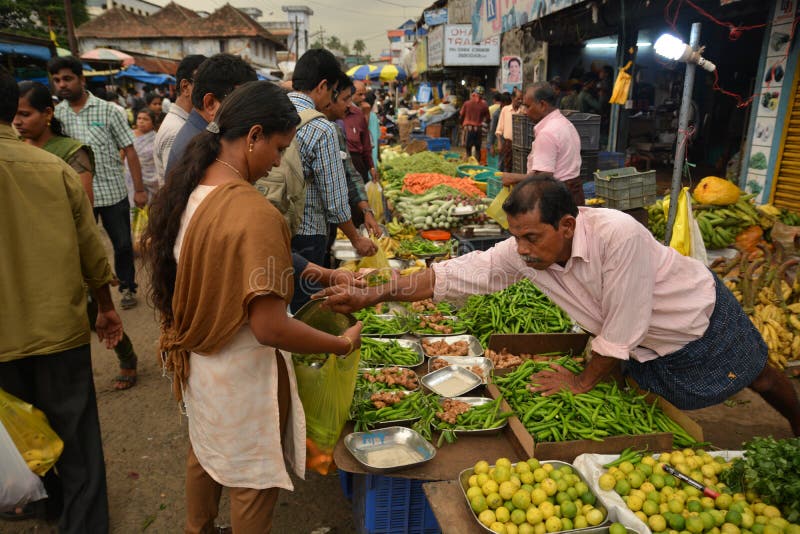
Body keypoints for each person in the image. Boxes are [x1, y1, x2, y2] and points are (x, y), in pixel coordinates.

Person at [317, 176, 800, 437]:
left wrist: (583, 379)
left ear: (567, 226)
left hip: (693, 314)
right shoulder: (523, 251)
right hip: (642, 341)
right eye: (516, 238)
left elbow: (627, 318)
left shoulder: (618, 234)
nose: (522, 249)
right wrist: (376, 291)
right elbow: (456, 275)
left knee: (758, 374)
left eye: (532, 237)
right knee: (660, 400)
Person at [144, 80, 363, 533]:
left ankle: (198, 527)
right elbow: (269, 327)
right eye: (280, 149)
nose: (278, 162)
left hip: (203, 369)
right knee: (251, 485)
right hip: (245, 378)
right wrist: (339, 345)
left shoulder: (191, 186)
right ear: (254, 135)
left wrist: (317, 272)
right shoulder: (253, 211)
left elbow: (232, 262)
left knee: (205, 455)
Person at [0, 66, 123, 532]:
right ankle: (84, 523)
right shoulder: (54, 169)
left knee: (18, 433)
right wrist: (106, 308)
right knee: (75, 435)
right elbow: (92, 251)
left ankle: (40, 504)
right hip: (58, 329)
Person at [14, 80, 141, 392]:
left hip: (64, 246)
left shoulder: (71, 151)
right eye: (13, 114)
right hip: (28, 249)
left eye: (25, 114)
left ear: (47, 114)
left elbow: (83, 209)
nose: (17, 121)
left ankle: (126, 355)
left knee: (92, 309)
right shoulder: (14, 153)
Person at [49, 55, 146, 310]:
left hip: (113, 191)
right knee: (84, 248)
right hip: (79, 196)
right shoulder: (56, 117)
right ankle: (92, 294)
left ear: (81, 80)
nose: (62, 85)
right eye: (57, 80)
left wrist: (138, 189)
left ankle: (127, 286)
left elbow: (130, 150)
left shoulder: (108, 111)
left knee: (123, 244)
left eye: (67, 78)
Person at [289, 48, 376, 311]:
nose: (334, 101)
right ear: (323, 86)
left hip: (276, 231)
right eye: (335, 92)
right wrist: (356, 239)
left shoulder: (272, 111)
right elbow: (335, 200)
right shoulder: (321, 127)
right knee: (306, 306)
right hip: (308, 234)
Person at [166, 54, 258, 176]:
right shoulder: (199, 151)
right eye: (240, 105)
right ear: (210, 104)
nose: (247, 114)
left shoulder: (207, 137)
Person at [501, 83, 584, 205]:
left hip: (557, 199)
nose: (525, 112)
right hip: (571, 194)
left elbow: (544, 177)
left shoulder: (547, 133)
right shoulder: (565, 124)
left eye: (528, 106)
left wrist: (512, 178)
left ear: (542, 105)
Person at [328, 74, 382, 247]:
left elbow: (365, 146)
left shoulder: (355, 116)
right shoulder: (328, 128)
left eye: (350, 98)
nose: (348, 103)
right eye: (346, 99)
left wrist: (366, 211)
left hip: (356, 163)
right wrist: (356, 239)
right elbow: (334, 196)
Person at [154, 54, 206, 186]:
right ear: (185, 87)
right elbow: (177, 187)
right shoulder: (176, 130)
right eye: (204, 85)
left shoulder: (185, 122)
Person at [342, 80, 377, 183]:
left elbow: (366, 144)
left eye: (364, 94)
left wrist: (371, 167)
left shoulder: (358, 113)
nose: (363, 98)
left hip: (358, 166)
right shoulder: (333, 115)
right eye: (360, 94)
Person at [125, 108, 159, 203]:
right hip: (130, 178)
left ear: (153, 123)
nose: (141, 121)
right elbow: (123, 157)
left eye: (145, 119)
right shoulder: (129, 136)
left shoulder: (157, 138)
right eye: (139, 118)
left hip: (152, 179)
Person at [495, 89, 523, 172]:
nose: (520, 101)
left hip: (520, 145)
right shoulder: (505, 110)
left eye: (521, 99)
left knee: (518, 168)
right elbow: (499, 129)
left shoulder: (523, 111)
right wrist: (499, 143)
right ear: (512, 98)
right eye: (518, 99)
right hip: (507, 143)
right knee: (504, 167)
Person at [459, 86, 490, 159]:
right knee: (478, 149)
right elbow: (488, 118)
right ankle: (477, 165)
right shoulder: (484, 104)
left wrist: (461, 125)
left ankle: (469, 164)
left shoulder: (467, 103)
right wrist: (485, 124)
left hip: (468, 129)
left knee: (468, 149)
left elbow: (461, 116)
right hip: (478, 130)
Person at [362, 90, 380, 170]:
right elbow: (377, 139)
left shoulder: (357, 116)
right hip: (371, 162)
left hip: (366, 163)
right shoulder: (373, 116)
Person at [487, 92, 506, 161]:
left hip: (496, 138)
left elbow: (491, 128)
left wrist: (490, 144)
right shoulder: (504, 110)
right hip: (500, 138)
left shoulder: (490, 108)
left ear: (494, 100)